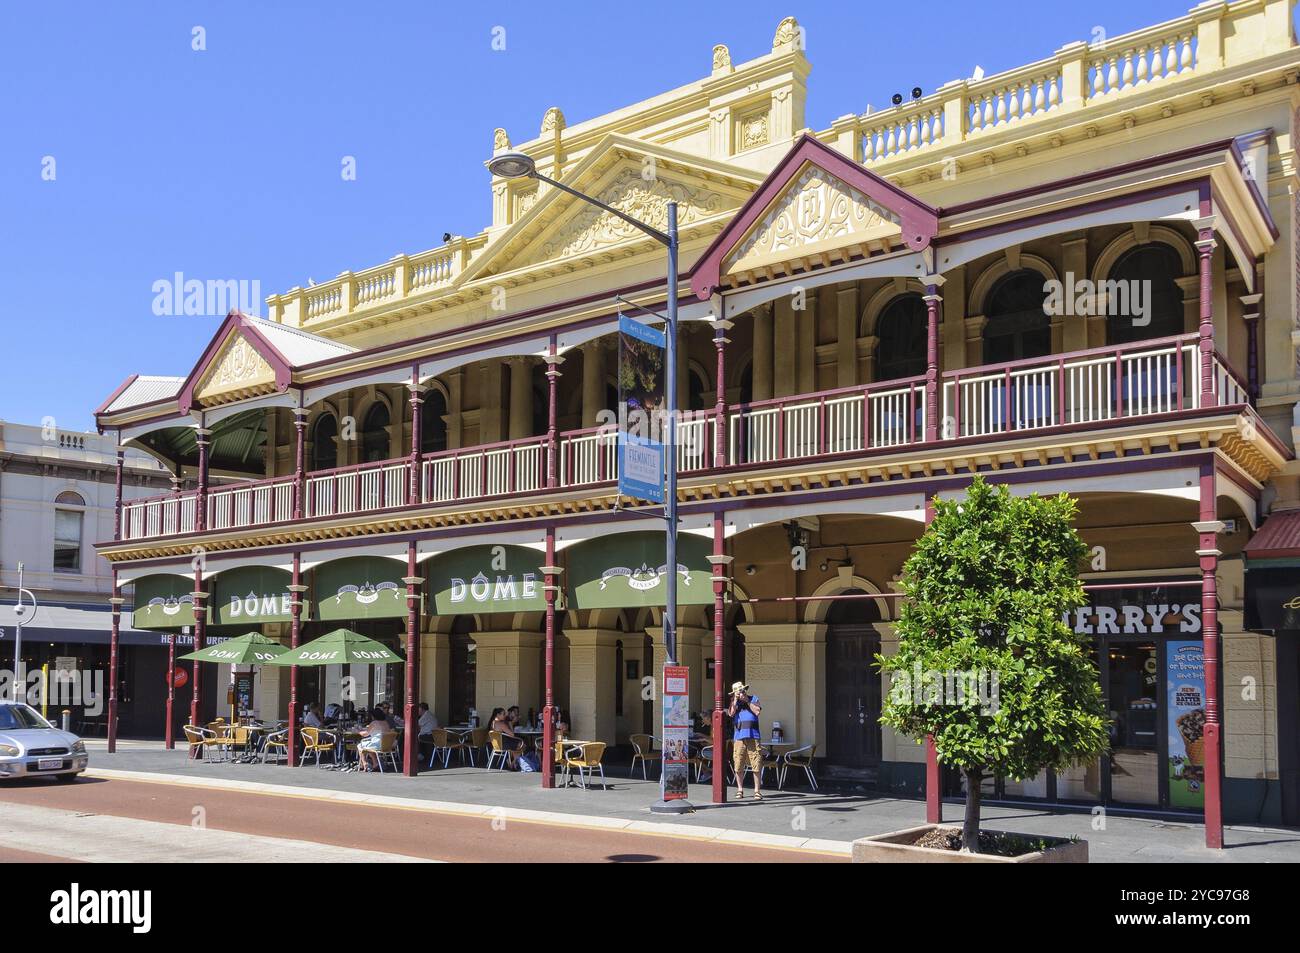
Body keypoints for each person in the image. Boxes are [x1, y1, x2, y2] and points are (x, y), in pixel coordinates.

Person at [727, 681, 764, 800]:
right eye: (738, 692)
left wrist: (747, 701)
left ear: (745, 690)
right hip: (739, 737)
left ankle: (757, 791)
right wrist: (735, 701)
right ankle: (740, 789)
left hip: (753, 736)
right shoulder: (734, 702)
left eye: (742, 691)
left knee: (756, 762)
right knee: (738, 763)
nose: (740, 694)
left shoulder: (753, 698)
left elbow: (757, 711)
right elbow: (731, 714)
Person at [355, 708, 392, 772]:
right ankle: (375, 764)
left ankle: (364, 764)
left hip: (377, 744)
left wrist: (358, 731)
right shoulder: (386, 723)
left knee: (359, 745)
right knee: (369, 746)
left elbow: (365, 734)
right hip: (386, 745)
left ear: (374, 716)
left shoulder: (374, 723)